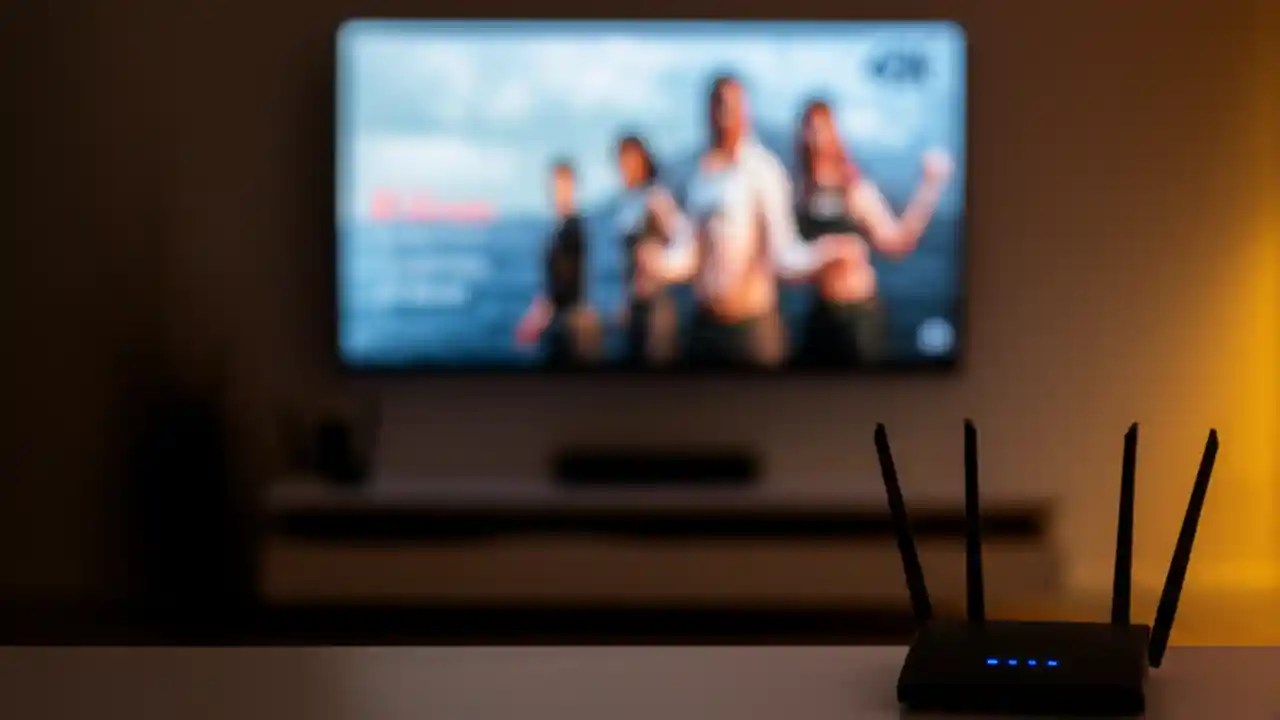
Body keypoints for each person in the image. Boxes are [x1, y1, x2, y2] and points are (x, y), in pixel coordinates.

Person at [635, 74, 864, 368]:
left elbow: (784, 254)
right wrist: (658, 263)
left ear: (746, 111)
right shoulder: (699, 175)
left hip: (751, 331)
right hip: (705, 327)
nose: (725, 116)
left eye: (732, 106)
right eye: (718, 106)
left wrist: (828, 252)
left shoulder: (762, 170)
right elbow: (689, 255)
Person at [792, 99, 955, 366]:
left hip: (857, 313)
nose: (815, 137)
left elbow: (896, 242)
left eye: (822, 129)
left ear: (834, 134)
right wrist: (826, 253)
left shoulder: (854, 189)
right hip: (821, 312)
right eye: (809, 128)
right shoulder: (800, 193)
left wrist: (930, 186)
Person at [515, 161, 601, 366]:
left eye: (563, 186)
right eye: (554, 187)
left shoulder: (572, 229)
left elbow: (566, 282)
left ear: (573, 188)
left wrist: (540, 313)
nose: (557, 193)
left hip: (572, 324)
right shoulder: (563, 228)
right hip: (567, 319)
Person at [613, 134, 685, 367]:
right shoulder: (628, 201)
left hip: (657, 304)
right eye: (621, 162)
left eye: (629, 161)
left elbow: (681, 239)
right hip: (636, 305)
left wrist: (659, 262)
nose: (624, 168)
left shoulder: (656, 197)